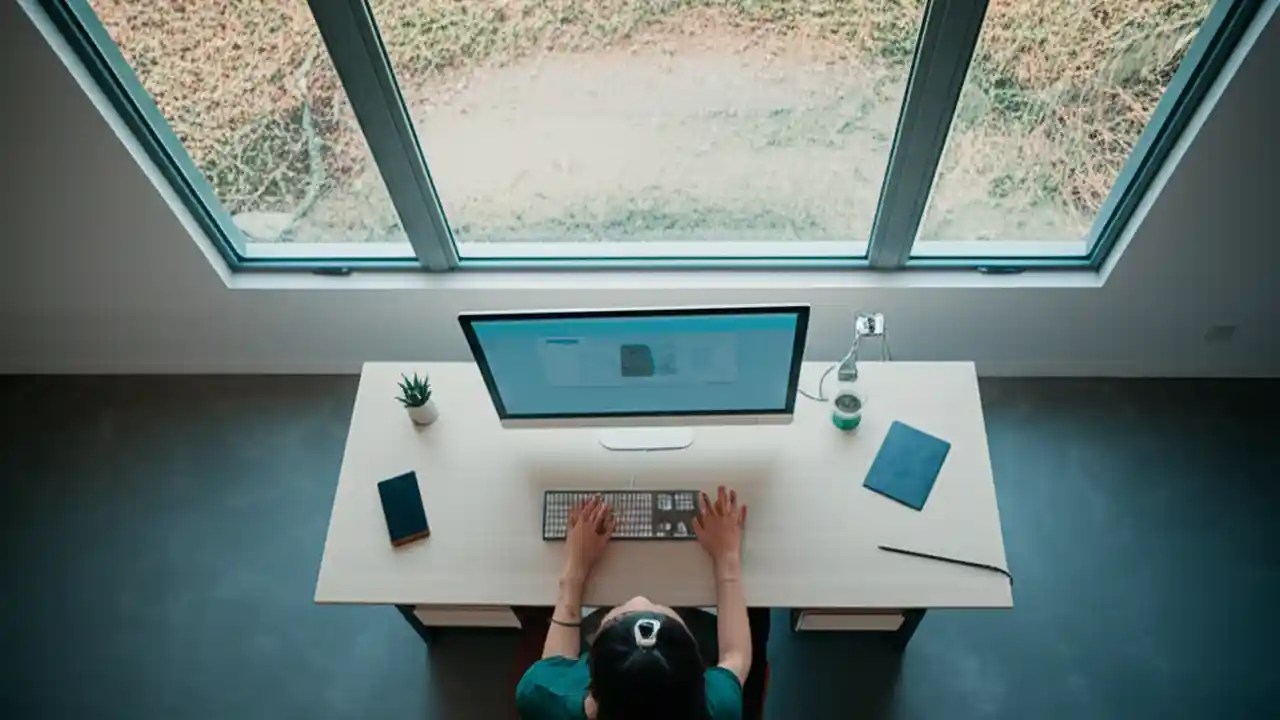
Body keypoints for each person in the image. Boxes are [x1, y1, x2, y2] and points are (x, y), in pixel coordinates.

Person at [516, 486, 766, 720]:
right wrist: (727, 557)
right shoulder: (716, 707)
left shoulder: (540, 696)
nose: (640, 599)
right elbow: (736, 655)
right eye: (662, 615)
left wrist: (575, 570)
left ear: (592, 692)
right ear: (698, 678)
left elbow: (555, 666)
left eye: (617, 620)